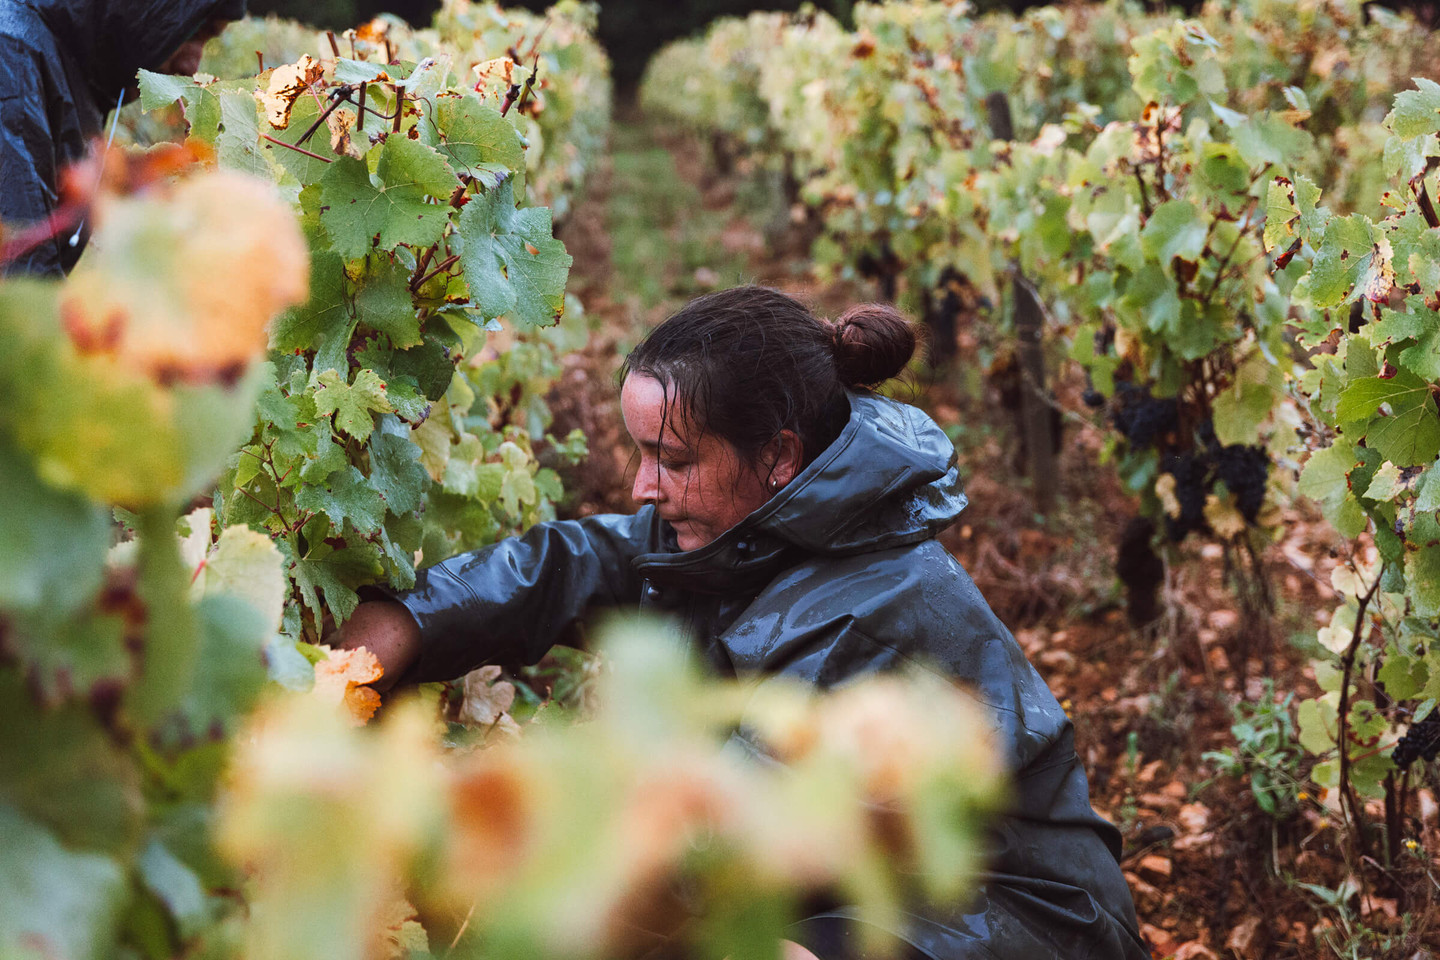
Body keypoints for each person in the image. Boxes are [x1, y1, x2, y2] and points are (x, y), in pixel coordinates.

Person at [339, 286, 1149, 960]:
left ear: (779, 456)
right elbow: (586, 562)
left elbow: (700, 862)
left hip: (1023, 921)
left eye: (673, 461)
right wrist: (411, 620)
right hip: (882, 881)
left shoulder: (864, 616)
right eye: (641, 453)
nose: (643, 488)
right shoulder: (765, 521)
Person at [0, 0, 243, 276]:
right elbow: (17, 275)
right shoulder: (14, 55)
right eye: (195, 32)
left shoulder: (72, 73)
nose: (191, 65)